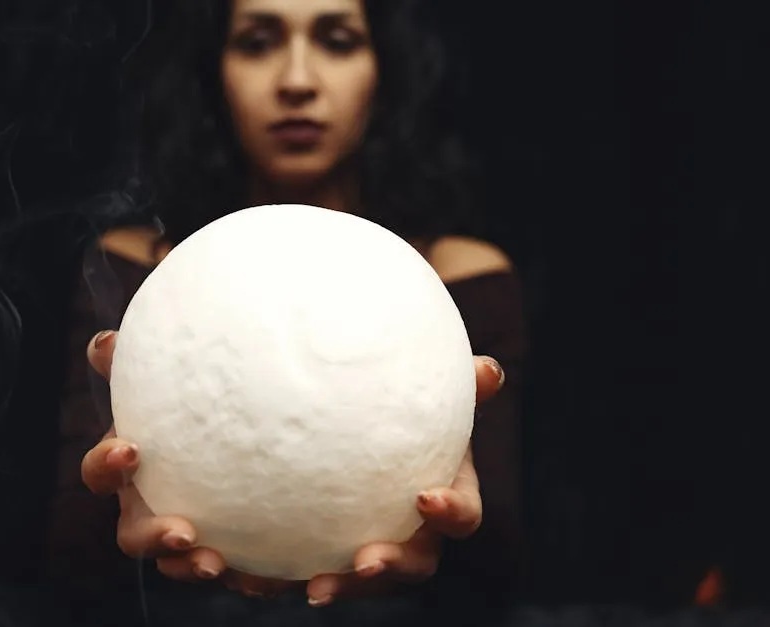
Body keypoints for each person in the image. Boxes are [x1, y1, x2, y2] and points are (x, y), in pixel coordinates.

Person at [42, 0, 528, 621]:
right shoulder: (142, 277)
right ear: (213, 72)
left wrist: (452, 529)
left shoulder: (457, 282)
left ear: (386, 69)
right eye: (257, 42)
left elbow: (500, 572)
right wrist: (115, 498)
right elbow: (68, 566)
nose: (297, 80)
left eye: (338, 40)